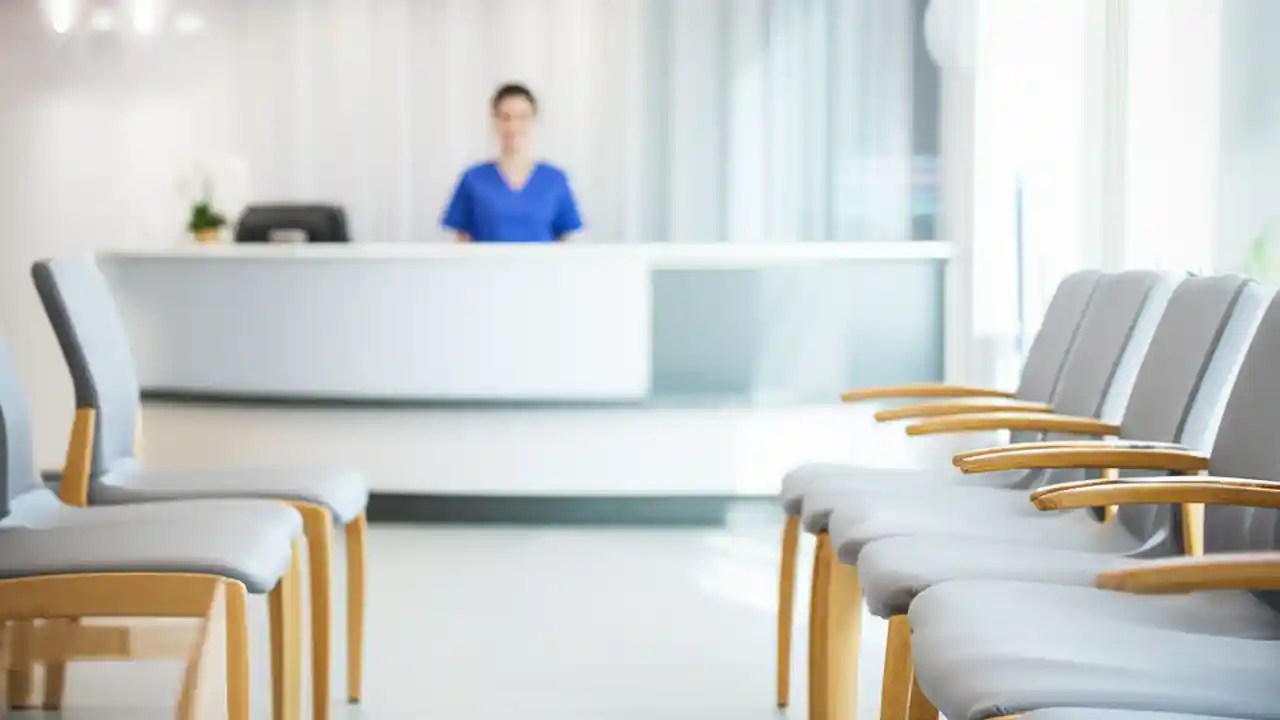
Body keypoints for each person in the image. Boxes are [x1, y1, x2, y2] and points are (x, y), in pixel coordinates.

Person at [442, 84, 583, 243]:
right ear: (494, 121)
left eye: (522, 117)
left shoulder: (555, 180)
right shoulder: (473, 179)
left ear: (534, 121)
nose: (513, 126)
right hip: (487, 268)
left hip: (541, 268)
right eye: (505, 117)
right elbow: (462, 243)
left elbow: (567, 241)